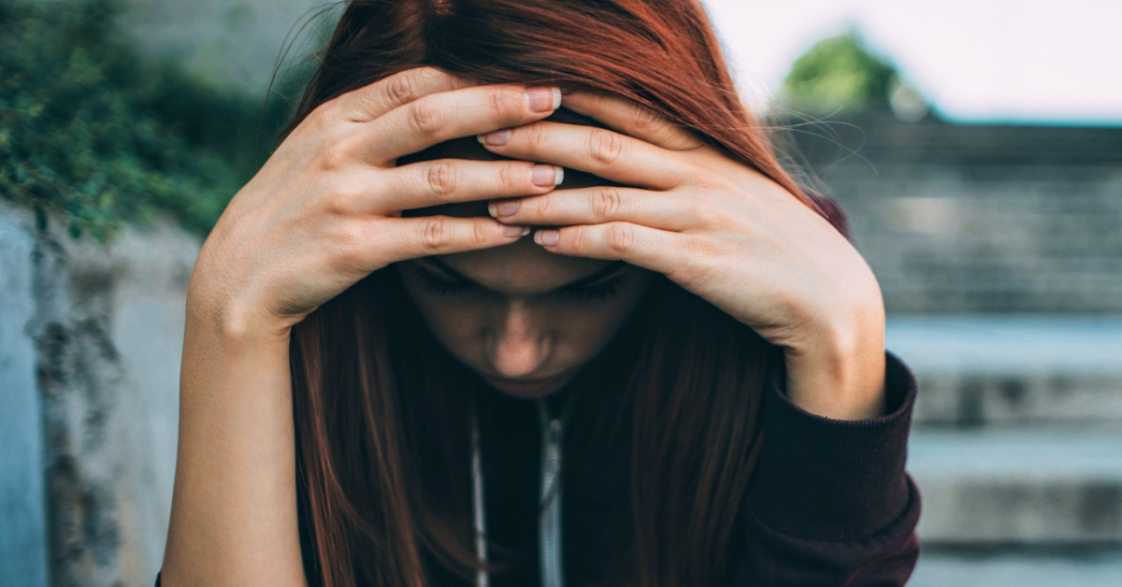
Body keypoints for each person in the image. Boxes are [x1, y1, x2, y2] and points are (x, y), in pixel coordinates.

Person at [157, 0, 922, 586]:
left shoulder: (779, 302)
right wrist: (233, 316)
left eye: (591, 288)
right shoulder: (311, 297)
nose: (517, 352)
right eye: (444, 279)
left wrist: (840, 338)